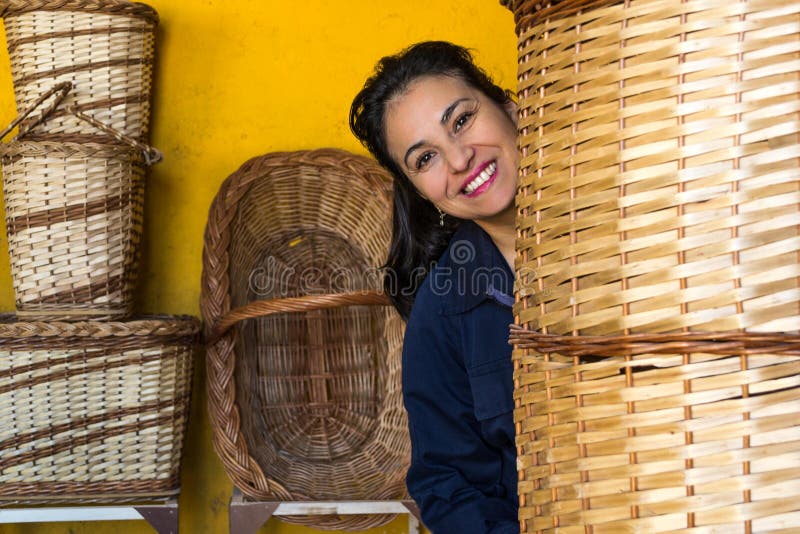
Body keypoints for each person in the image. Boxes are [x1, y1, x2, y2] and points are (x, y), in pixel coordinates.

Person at [350, 41, 519, 533]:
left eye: (462, 120)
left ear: (511, 108)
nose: (460, 159)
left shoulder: (640, 223)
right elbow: (450, 485)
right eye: (426, 158)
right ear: (420, 192)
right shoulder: (441, 311)